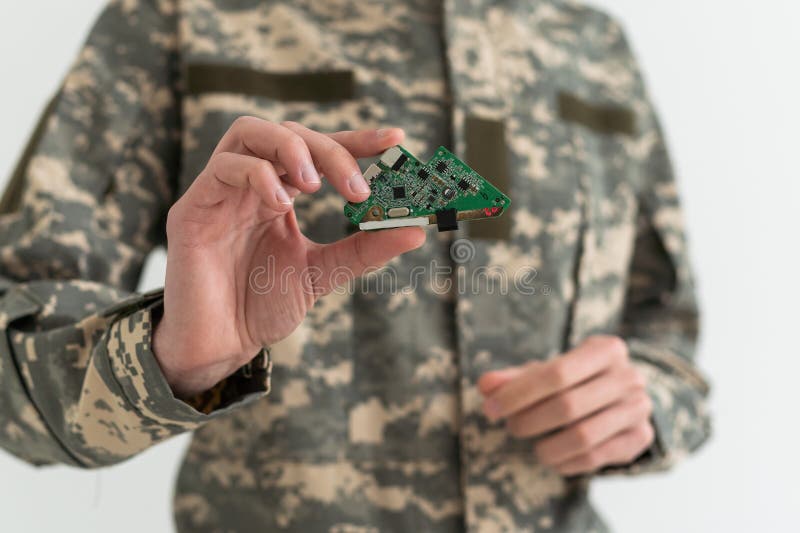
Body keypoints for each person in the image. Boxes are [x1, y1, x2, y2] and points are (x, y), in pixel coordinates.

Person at [0, 0, 711, 531]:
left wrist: (644, 405)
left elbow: (668, 333)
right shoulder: (182, 17)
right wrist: (170, 362)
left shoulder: (593, 45)